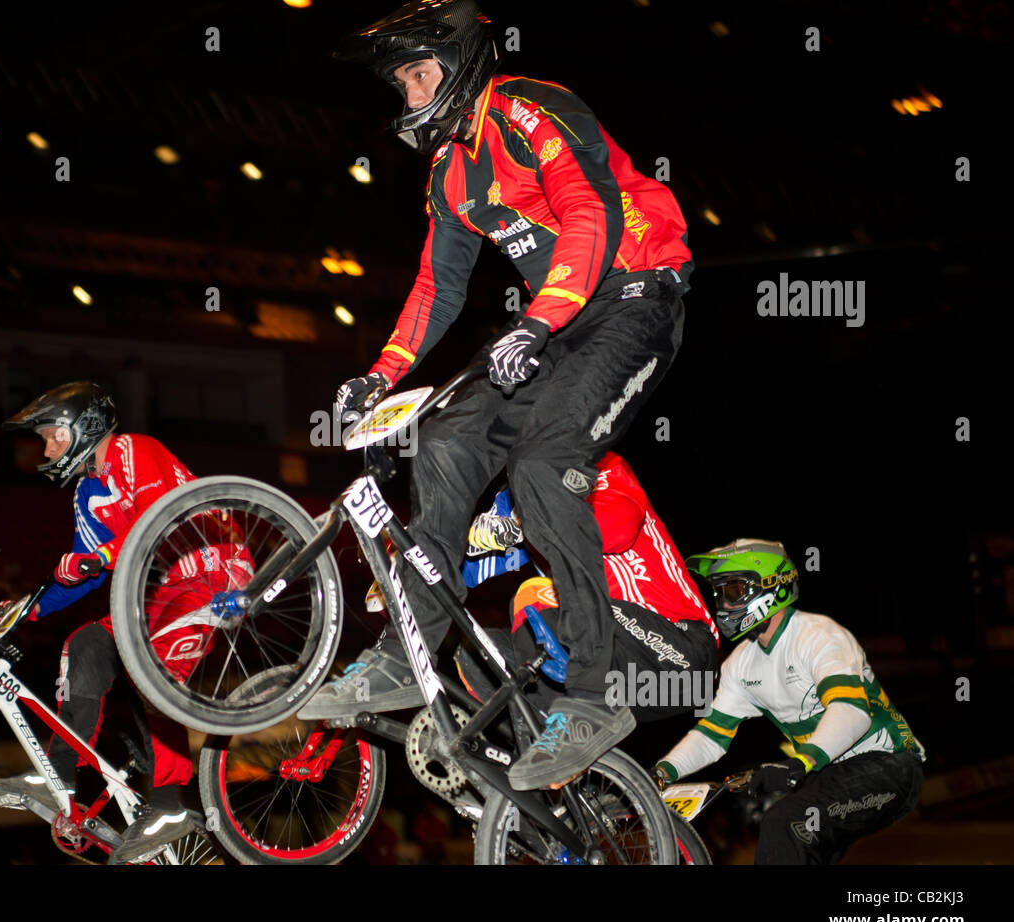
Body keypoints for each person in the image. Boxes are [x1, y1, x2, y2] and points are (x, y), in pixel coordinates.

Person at [302, 0, 694, 791]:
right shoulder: (450, 170)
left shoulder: (529, 107)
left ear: (462, 63)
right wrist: (380, 373)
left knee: (546, 464)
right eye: (401, 85)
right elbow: (437, 286)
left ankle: (592, 693)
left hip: (633, 296)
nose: (409, 97)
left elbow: (589, 213)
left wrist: (539, 321)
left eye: (418, 75)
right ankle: (408, 657)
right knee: (445, 440)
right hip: (559, 321)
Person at [0, 382, 253, 864]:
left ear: (83, 427)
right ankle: (59, 777)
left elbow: (157, 521)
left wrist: (102, 556)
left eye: (53, 437)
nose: (46, 451)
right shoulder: (86, 493)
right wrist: (31, 605)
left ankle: (172, 805)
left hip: (209, 572)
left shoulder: (134, 451)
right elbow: (88, 571)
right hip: (155, 594)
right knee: (86, 645)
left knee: (152, 667)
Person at [653, 540, 925, 864]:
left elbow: (852, 712)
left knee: (784, 824)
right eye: (719, 593)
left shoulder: (819, 634)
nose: (723, 605)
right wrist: (659, 773)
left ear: (773, 587)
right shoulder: (739, 664)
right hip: (827, 771)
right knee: (796, 840)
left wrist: (798, 764)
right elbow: (711, 736)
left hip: (889, 765)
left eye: (734, 590)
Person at [456, 451, 717, 727]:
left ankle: (562, 728)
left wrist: (526, 525)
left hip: (682, 656)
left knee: (535, 595)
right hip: (619, 674)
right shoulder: (511, 501)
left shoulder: (598, 462)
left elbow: (618, 528)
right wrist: (417, 552)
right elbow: (458, 571)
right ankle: (540, 750)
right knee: (482, 653)